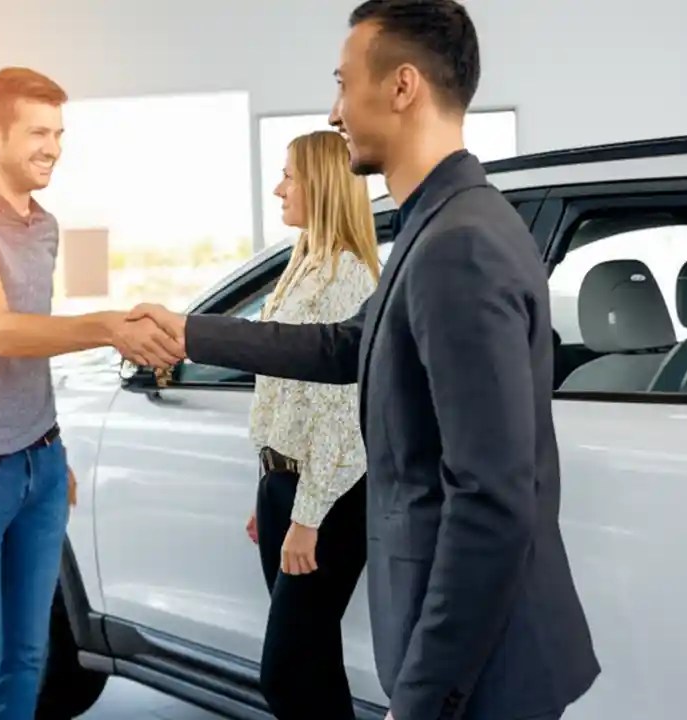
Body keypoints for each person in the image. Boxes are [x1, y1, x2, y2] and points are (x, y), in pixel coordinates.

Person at [129, 2, 600, 719]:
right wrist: (190, 334)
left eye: (344, 84)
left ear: (402, 86)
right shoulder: (439, 225)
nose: (336, 109)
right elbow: (347, 344)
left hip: (480, 675)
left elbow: (493, 498)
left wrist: (421, 699)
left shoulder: (458, 246)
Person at [0, 66, 182, 720]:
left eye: (59, 133)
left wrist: (52, 449)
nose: (53, 147)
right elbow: (0, 333)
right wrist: (109, 328)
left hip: (36, 465)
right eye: (37, 131)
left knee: (26, 661)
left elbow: (32, 351)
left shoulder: (45, 225)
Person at [247, 130, 379, 719]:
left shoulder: (350, 277)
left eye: (290, 176)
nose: (279, 188)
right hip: (287, 486)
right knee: (315, 666)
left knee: (287, 676)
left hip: (326, 500)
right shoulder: (305, 267)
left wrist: (306, 516)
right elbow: (283, 390)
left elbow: (343, 415)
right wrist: (269, 485)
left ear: (323, 185)